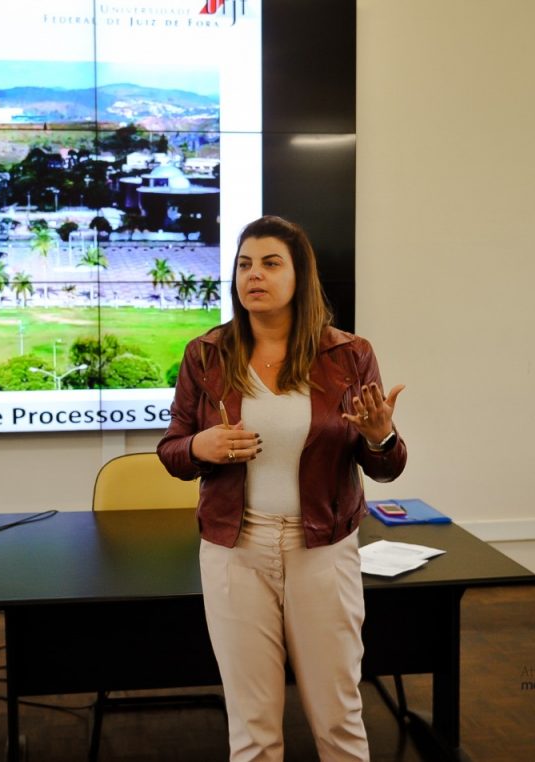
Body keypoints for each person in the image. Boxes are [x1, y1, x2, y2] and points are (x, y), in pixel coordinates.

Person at [157, 215, 407, 761]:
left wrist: (380, 435)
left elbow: (386, 466)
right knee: (252, 728)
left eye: (271, 263)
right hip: (234, 551)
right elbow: (172, 449)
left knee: (338, 718)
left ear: (300, 277)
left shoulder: (348, 355)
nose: (255, 275)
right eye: (245, 264)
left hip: (322, 549)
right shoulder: (206, 354)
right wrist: (202, 446)